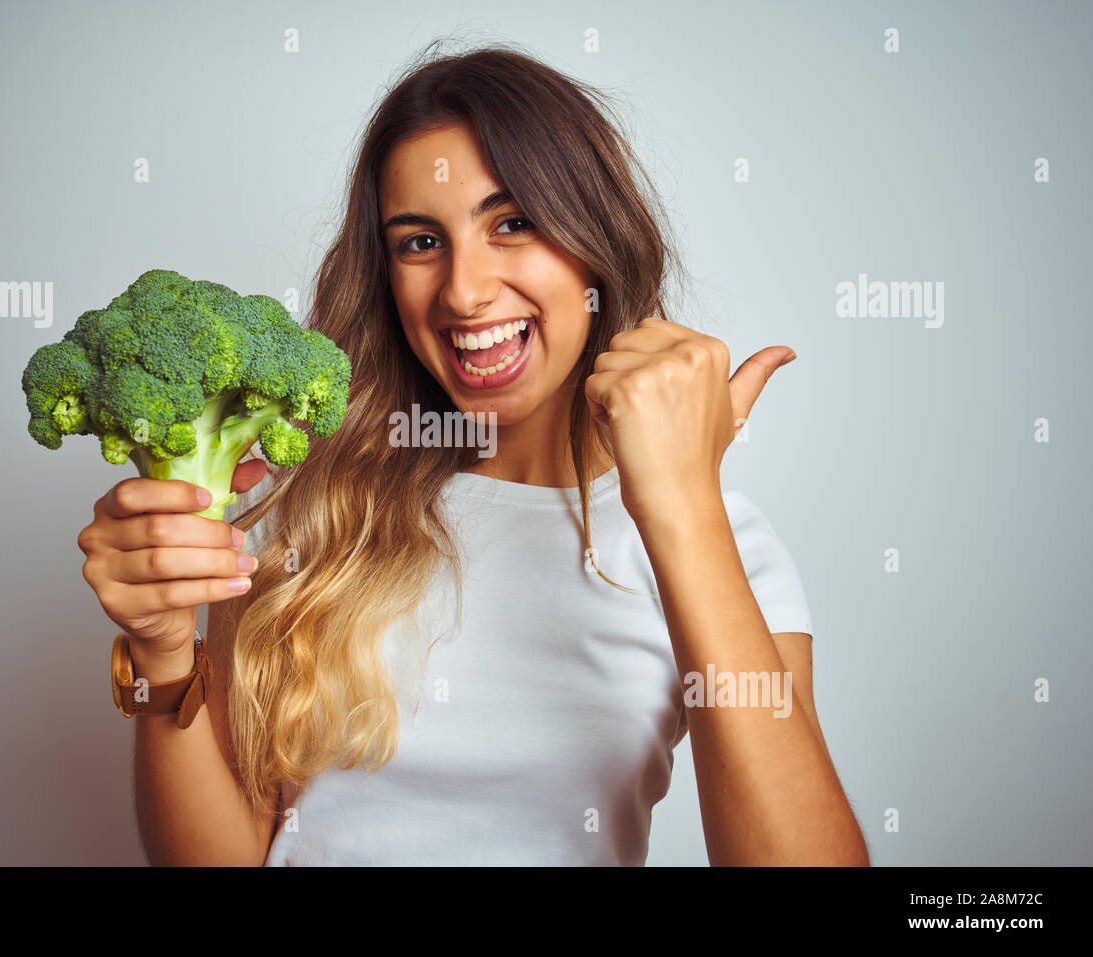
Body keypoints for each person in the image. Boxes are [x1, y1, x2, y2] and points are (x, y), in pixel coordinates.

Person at [77, 41, 869, 866]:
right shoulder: (307, 501)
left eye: (513, 223)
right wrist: (163, 652)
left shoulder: (727, 544)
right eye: (420, 242)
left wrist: (680, 503)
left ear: (595, 238)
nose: (463, 289)